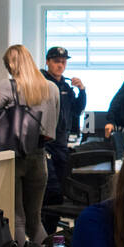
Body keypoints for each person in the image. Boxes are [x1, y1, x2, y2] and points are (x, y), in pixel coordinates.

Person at [0, 45, 59, 244]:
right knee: (35, 221)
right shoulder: (51, 87)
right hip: (39, 157)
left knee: (18, 220)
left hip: (15, 158)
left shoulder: (8, 85)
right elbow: (54, 124)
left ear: (12, 65)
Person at [40, 46, 86, 232]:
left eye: (63, 62)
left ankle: (50, 232)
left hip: (62, 144)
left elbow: (77, 110)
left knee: (61, 188)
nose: (61, 65)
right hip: (45, 144)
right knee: (50, 190)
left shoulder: (66, 85)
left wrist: (82, 90)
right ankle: (44, 231)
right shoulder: (41, 83)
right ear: (48, 62)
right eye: (57, 61)